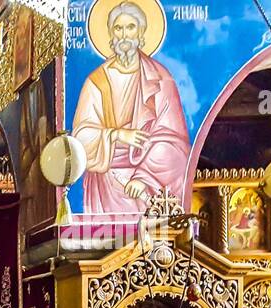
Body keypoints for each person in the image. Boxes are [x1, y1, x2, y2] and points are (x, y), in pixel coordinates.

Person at [72, 2, 190, 215]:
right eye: (118, 28)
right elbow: (80, 138)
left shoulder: (160, 79)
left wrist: (144, 177)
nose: (124, 35)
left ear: (141, 31)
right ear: (111, 33)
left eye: (130, 27)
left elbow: (173, 141)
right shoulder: (97, 81)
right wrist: (116, 135)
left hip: (145, 185)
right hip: (106, 184)